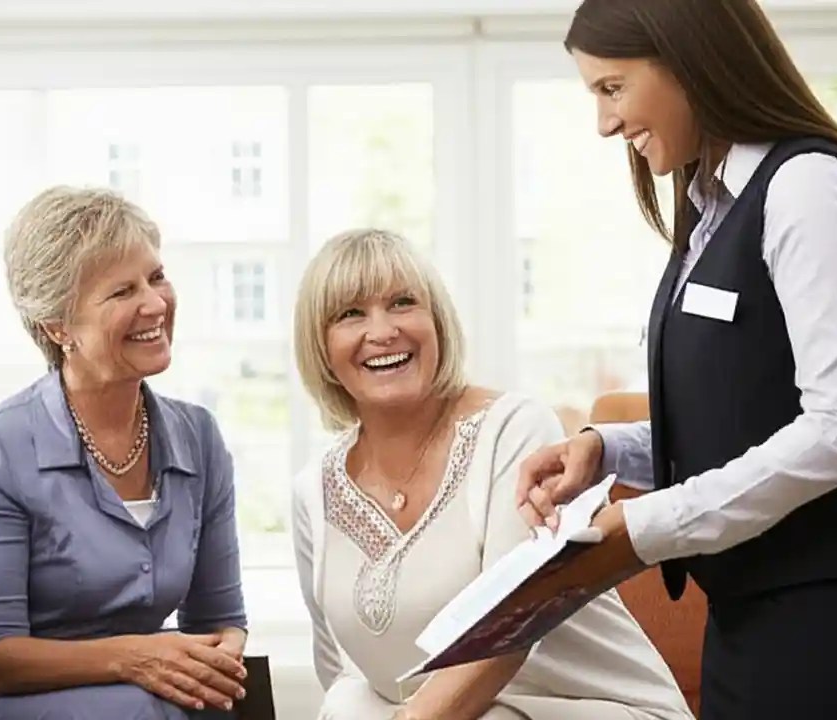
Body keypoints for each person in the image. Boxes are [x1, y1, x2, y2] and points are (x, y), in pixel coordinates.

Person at [517, 1, 837, 718]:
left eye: (612, 88)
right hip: (750, 620)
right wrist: (608, 450)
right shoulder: (713, 206)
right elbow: (743, 416)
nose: (604, 123)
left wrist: (649, 525)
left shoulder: (811, 190)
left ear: (688, 59)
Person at [291, 229, 693, 720]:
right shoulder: (313, 492)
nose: (383, 331)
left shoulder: (515, 429)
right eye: (351, 314)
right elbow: (339, 669)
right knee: (347, 702)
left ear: (437, 321)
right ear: (320, 346)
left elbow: (506, 635)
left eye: (402, 303)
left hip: (597, 710)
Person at [0, 187, 249, 719]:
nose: (155, 304)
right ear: (58, 325)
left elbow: (219, 618)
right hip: (25, 705)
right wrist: (134, 659)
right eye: (123, 291)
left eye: (156, 277)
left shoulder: (198, 436)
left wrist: (219, 652)